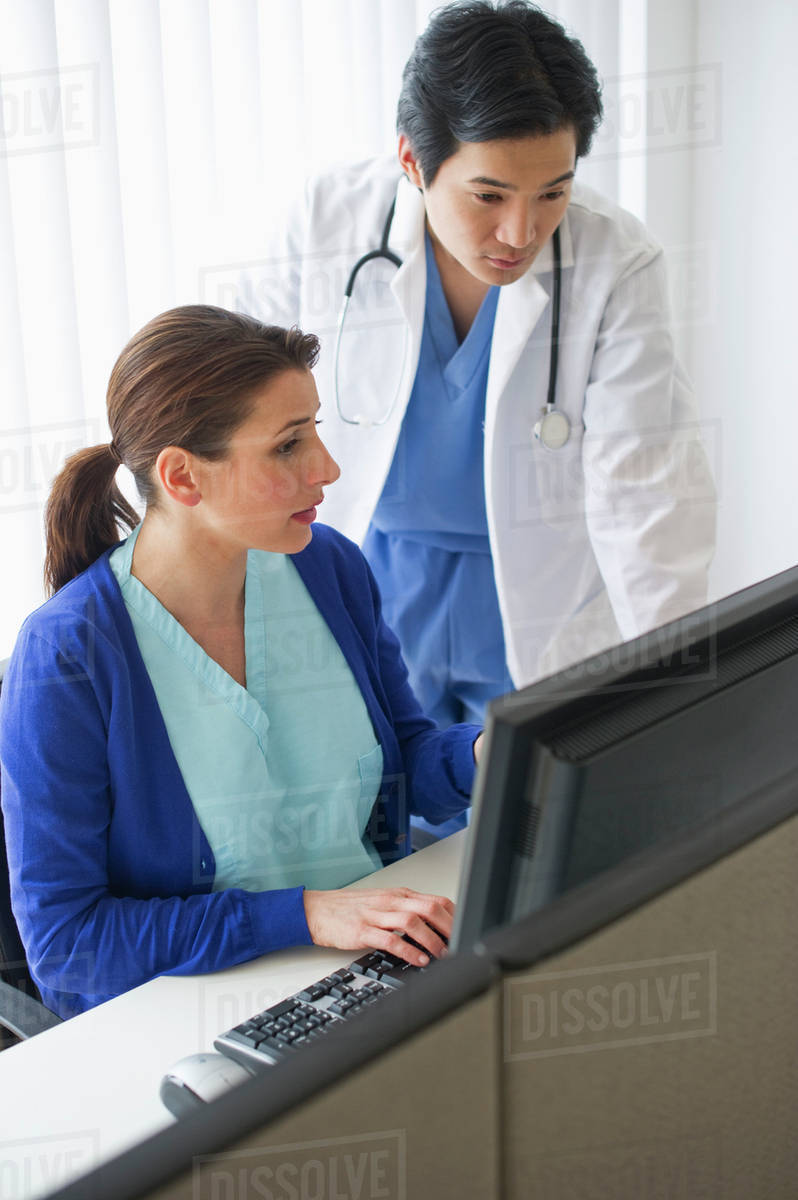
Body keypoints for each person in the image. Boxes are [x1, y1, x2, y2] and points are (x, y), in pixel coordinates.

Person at [233, 0, 716, 787]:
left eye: (552, 193)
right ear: (413, 162)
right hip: (376, 580)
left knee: (526, 840)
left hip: (539, 597)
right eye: (488, 196)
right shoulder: (327, 222)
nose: (522, 233)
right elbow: (237, 423)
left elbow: (650, 500)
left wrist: (679, 702)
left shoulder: (614, 262)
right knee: (376, 829)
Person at [0, 305, 481, 1020]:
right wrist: (306, 916)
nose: (328, 467)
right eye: (288, 447)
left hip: (377, 970)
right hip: (193, 1021)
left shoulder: (329, 569)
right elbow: (71, 945)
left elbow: (402, 762)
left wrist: (482, 751)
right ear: (184, 478)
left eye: (315, 429)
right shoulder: (70, 655)